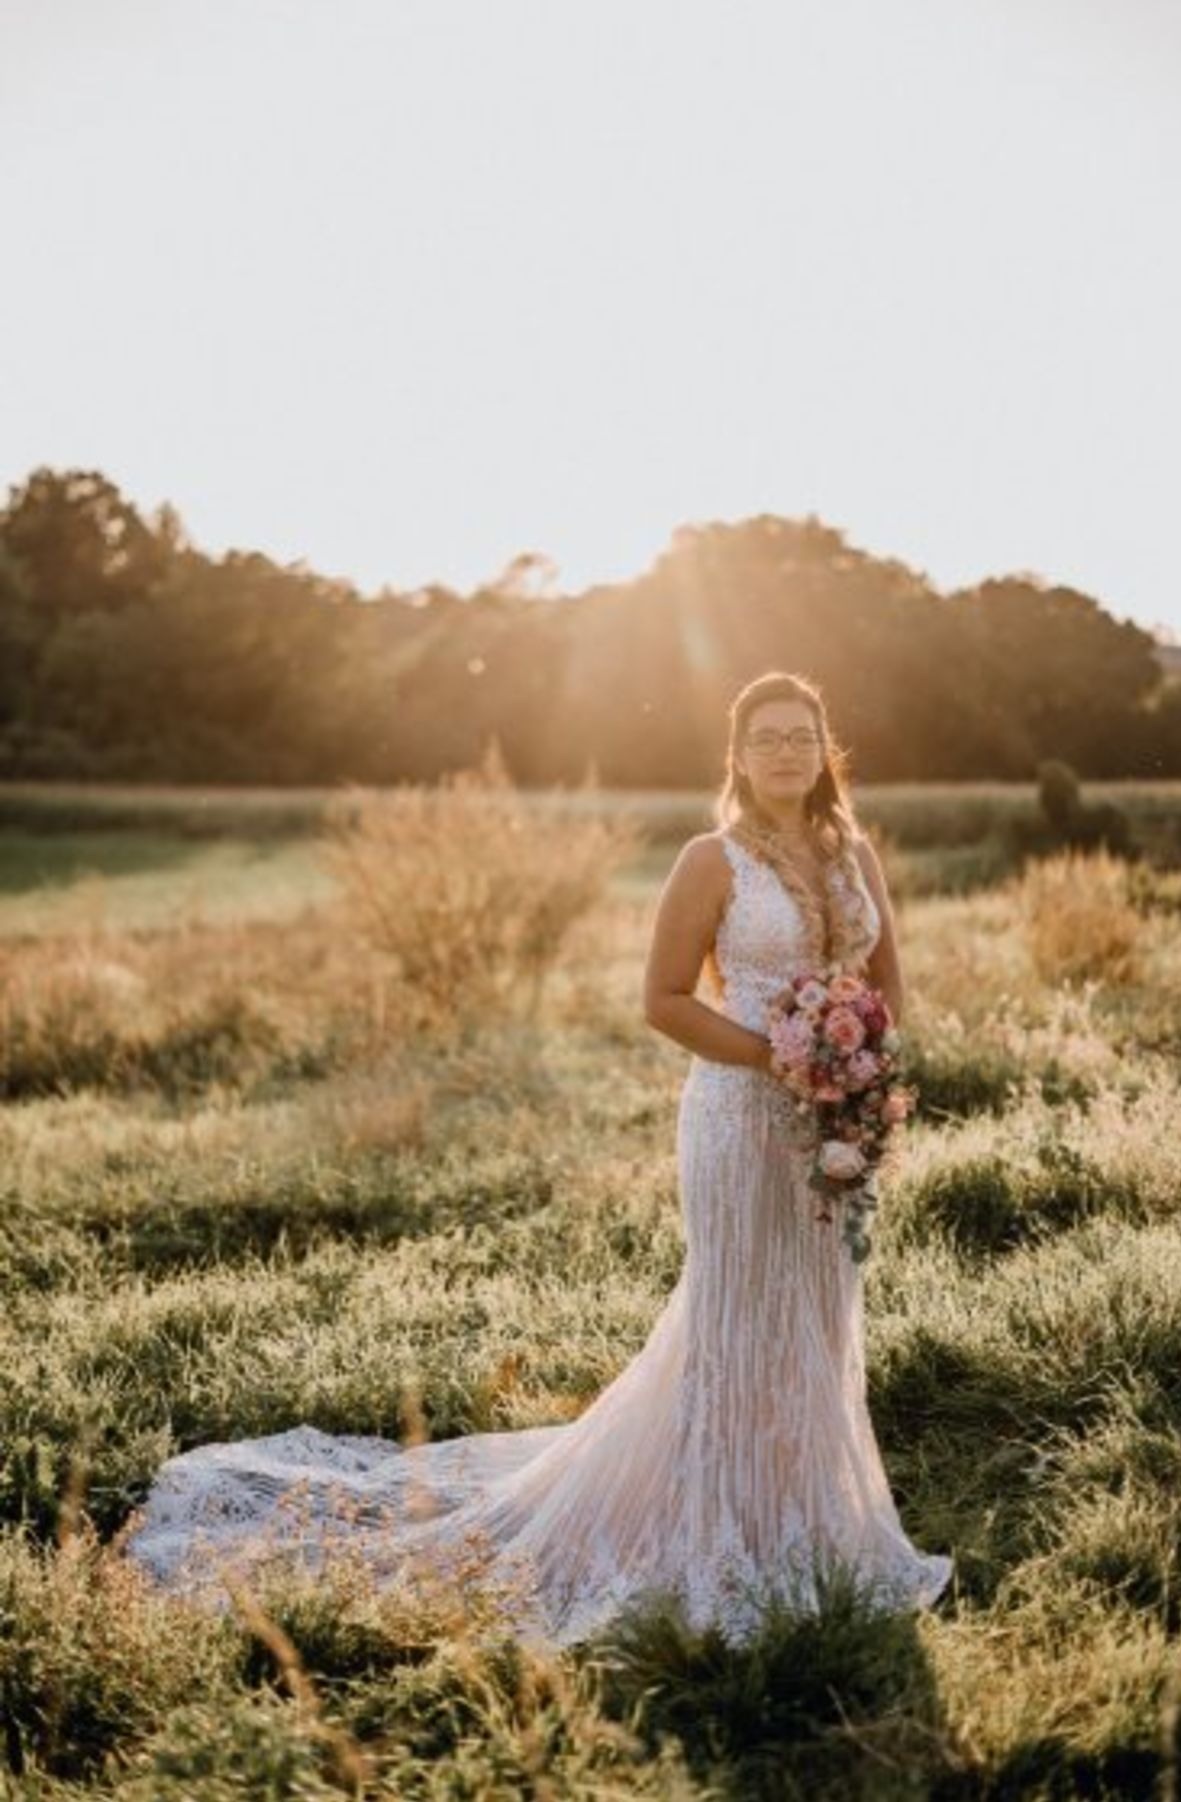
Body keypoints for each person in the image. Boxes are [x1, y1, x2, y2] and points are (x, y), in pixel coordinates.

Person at [122, 669, 953, 1646]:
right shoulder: (711, 858)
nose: (784, 750)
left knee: (816, 1315)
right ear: (736, 754)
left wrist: (860, 1073)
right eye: (764, 735)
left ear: (824, 747)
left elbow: (887, 980)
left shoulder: (852, 851)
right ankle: (722, 1527)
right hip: (738, 1120)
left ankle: (811, 1515)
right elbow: (665, 1000)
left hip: (835, 1125)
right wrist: (783, 1055)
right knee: (735, 1319)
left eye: (800, 734)